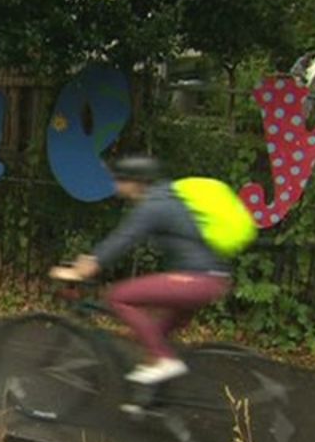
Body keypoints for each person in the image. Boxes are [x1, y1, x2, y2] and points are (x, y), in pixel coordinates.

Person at [48, 156, 233, 385]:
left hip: (197, 280)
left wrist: (82, 270)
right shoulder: (165, 197)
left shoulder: (153, 205)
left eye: (120, 180)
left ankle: (164, 361)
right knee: (151, 334)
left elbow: (123, 239)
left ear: (135, 182)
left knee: (118, 297)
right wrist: (90, 260)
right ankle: (145, 400)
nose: (116, 185)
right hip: (209, 279)